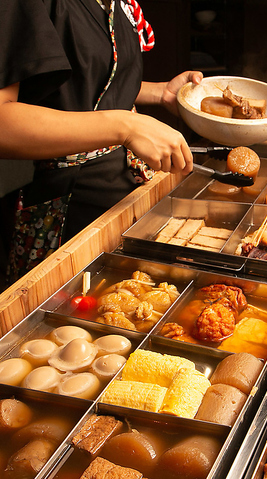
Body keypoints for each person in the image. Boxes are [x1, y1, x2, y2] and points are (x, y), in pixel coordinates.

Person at [0, 0, 203, 285]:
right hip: (68, 207)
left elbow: (87, 85)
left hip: (127, 191)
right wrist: (126, 126)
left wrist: (159, 94)